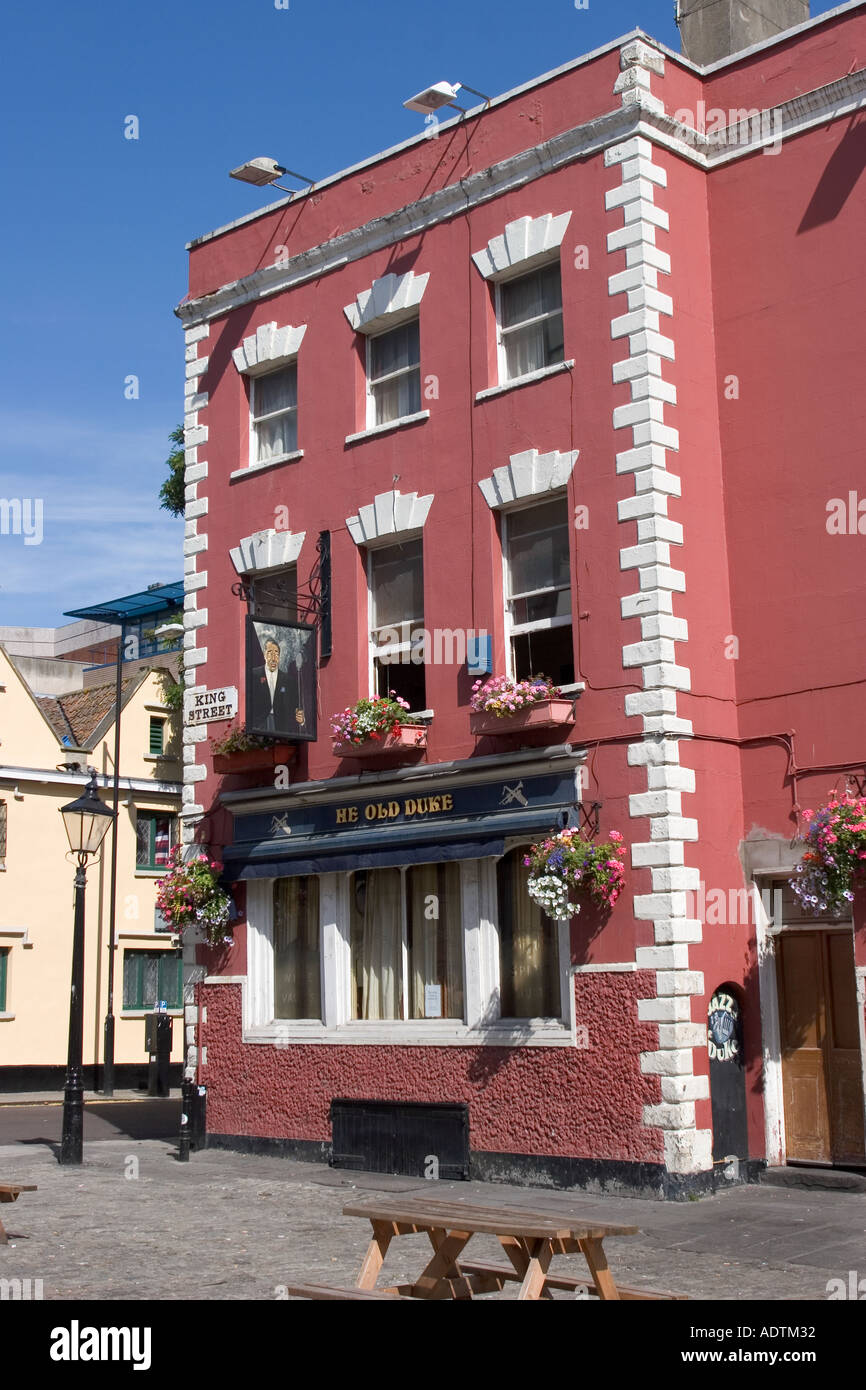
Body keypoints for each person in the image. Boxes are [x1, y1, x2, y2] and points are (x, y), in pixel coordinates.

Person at [250, 636, 303, 735]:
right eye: (270, 653)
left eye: (277, 654)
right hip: (259, 724)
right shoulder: (254, 675)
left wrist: (301, 720)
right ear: (264, 654)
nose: (273, 658)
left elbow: (294, 706)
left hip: (280, 726)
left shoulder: (287, 680)